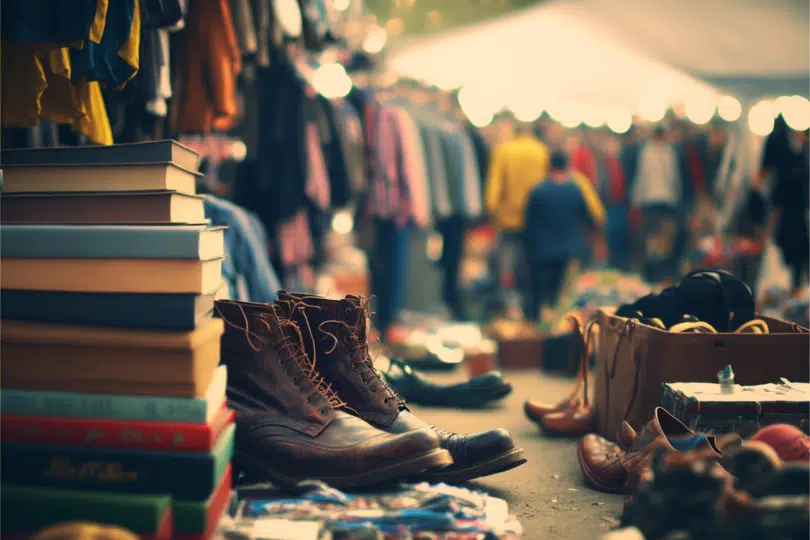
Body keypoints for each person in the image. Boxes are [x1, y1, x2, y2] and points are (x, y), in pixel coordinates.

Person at [524, 151, 606, 322]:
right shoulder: (574, 190)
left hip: (541, 250)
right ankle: (555, 324)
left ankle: (536, 325)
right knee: (558, 292)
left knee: (538, 291)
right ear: (566, 166)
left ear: (549, 166)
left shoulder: (538, 191)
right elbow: (588, 218)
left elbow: (529, 223)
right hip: (566, 250)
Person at [485, 122, 550, 314]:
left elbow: (494, 187)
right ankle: (531, 310)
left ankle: (508, 310)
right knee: (531, 266)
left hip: (508, 220)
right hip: (536, 220)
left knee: (507, 266)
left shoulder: (504, 150)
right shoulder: (542, 151)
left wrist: (493, 212)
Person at [761, 117, 809, 295]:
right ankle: (795, 289)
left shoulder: (797, 154)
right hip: (793, 213)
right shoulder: (792, 155)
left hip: (795, 213)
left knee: (796, 252)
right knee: (794, 252)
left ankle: (795, 288)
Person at [631, 124, 683, 283]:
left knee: (652, 240)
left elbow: (642, 176)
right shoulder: (669, 152)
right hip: (666, 202)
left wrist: (636, 199)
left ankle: (651, 274)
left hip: (651, 202)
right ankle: (659, 274)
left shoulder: (647, 152)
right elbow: (673, 177)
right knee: (662, 240)